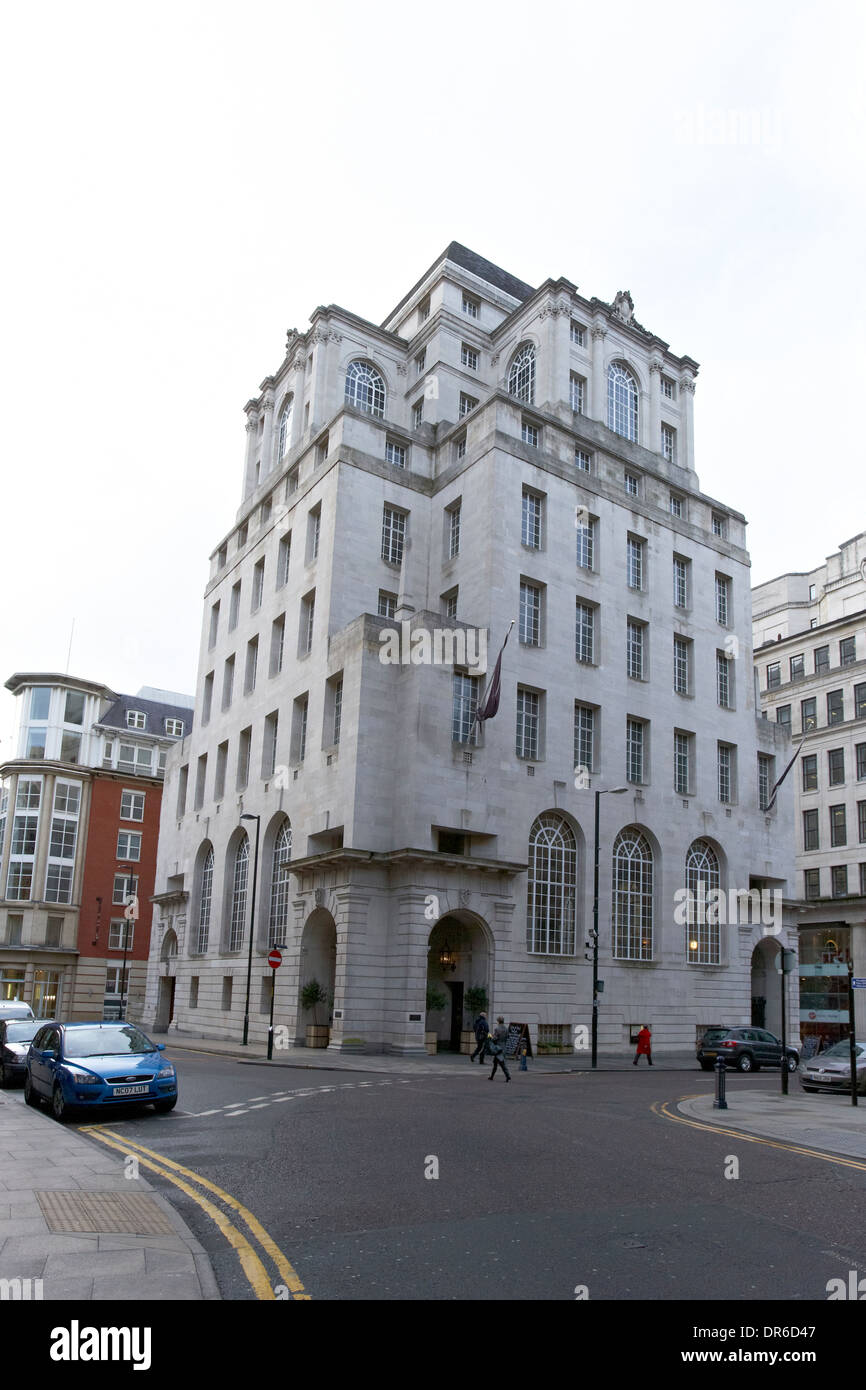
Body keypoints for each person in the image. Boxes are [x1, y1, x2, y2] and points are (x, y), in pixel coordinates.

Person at [488, 1015, 511, 1082]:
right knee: (496, 1062)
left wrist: (490, 1036)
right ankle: (492, 1077)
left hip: (498, 1048)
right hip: (503, 1047)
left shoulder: (497, 1029)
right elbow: (507, 1038)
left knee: (501, 1063)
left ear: (498, 1021)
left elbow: (494, 1038)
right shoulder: (506, 1029)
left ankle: (508, 1076)